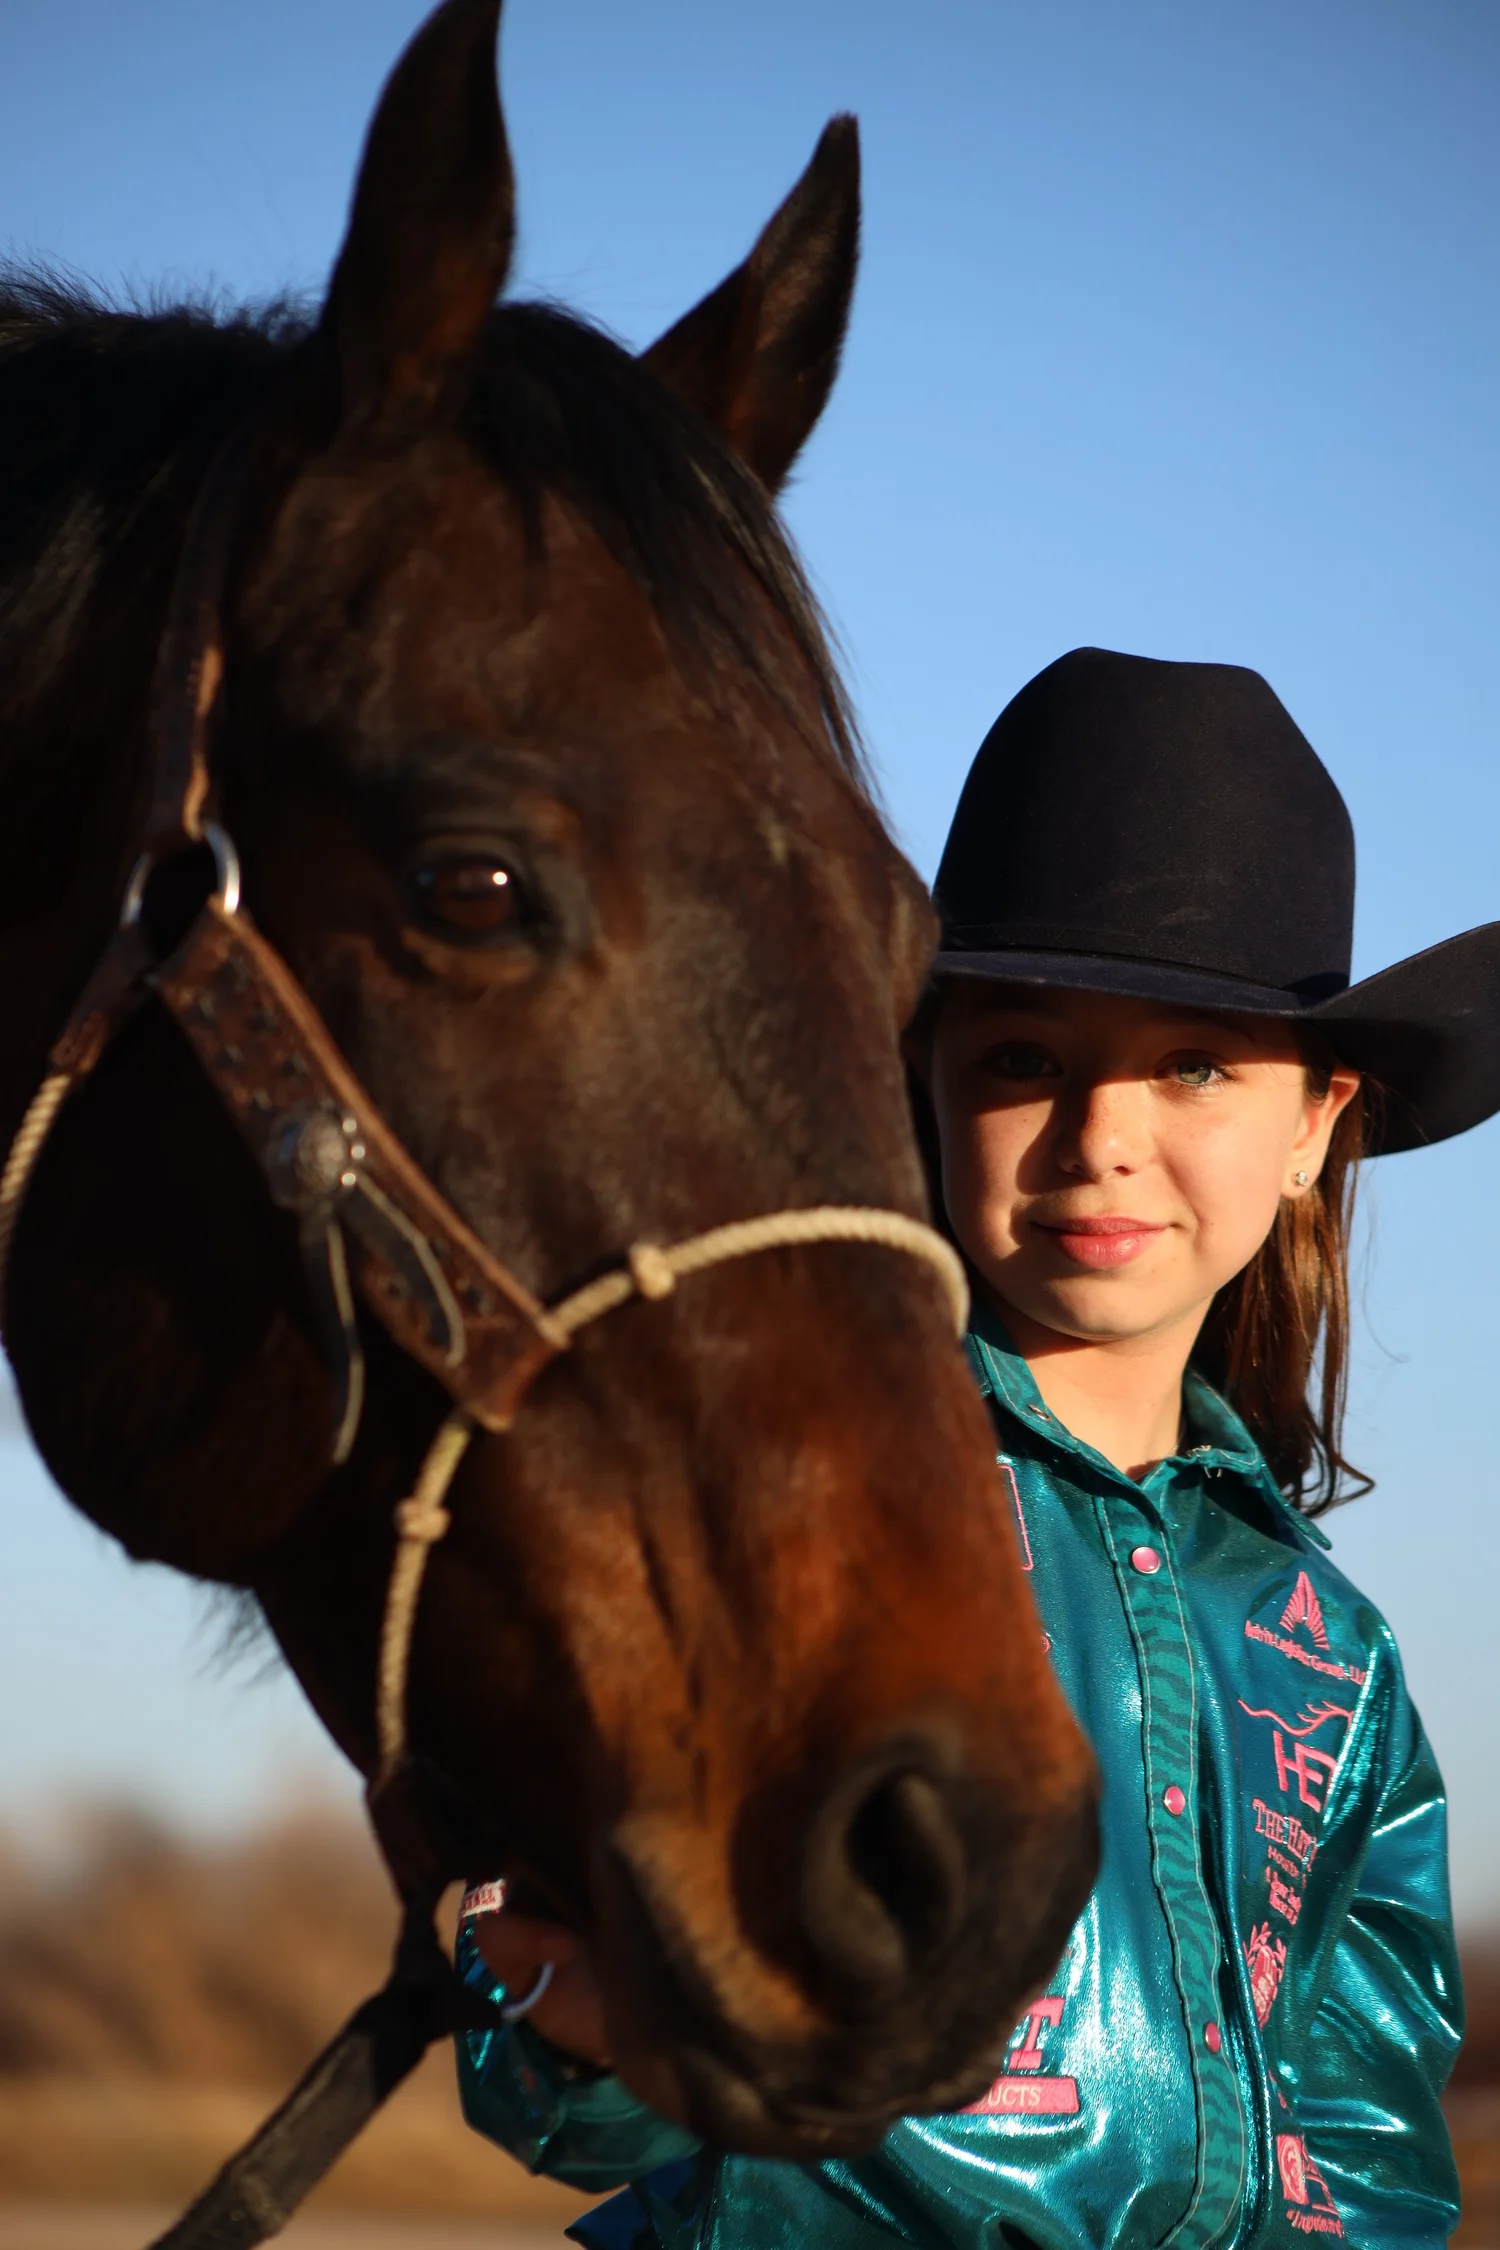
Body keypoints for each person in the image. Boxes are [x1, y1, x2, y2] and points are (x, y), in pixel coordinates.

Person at [450, 649, 1500, 2250]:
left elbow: (1365, 2147)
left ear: (1315, 1123)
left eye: (1196, 1064)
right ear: (923, 1080)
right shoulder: (782, 1506)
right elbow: (572, 2075)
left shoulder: (1334, 1664)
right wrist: (579, 2018)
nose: (1100, 1136)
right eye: (1023, 1057)